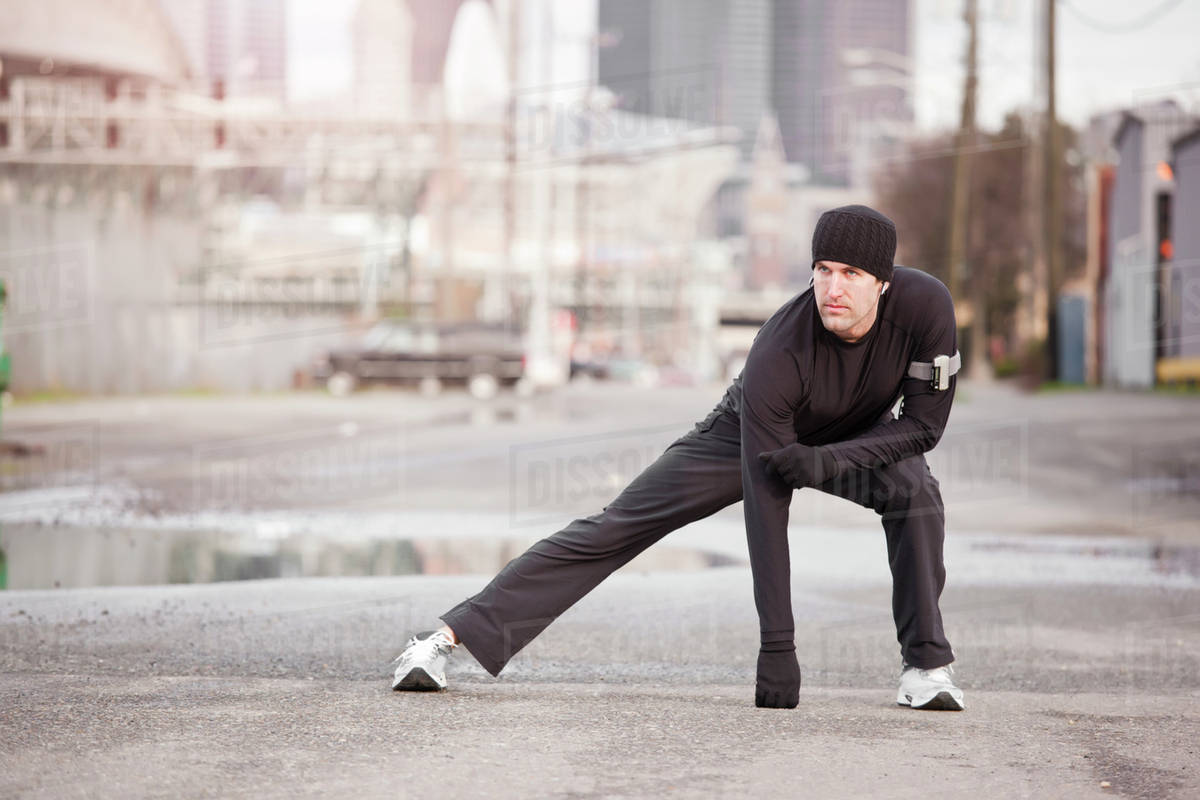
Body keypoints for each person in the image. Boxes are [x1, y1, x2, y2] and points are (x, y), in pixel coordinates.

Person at [391, 204, 965, 711]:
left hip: (861, 433)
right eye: (822, 271)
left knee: (916, 495)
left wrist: (829, 460)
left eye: (851, 274)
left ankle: (926, 666)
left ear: (883, 284)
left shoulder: (927, 308)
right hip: (747, 428)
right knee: (617, 525)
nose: (832, 289)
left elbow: (923, 427)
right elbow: (766, 506)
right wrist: (778, 646)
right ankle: (442, 640)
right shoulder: (779, 349)